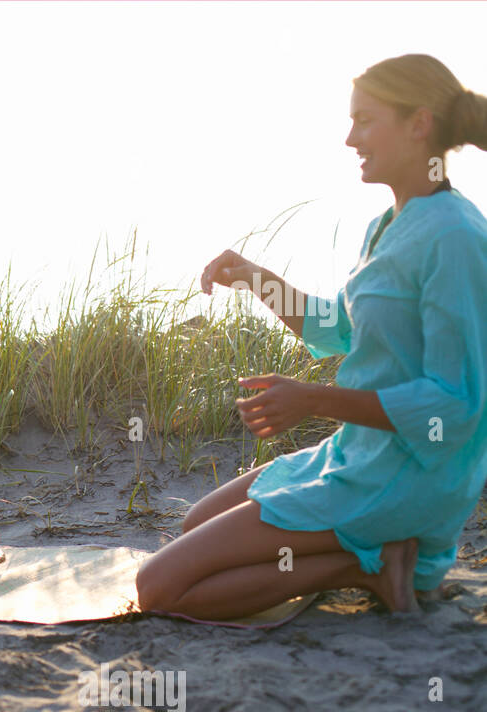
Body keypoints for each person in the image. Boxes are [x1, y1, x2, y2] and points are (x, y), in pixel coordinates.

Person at [136, 54, 487, 620]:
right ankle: (376, 557)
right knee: (193, 524)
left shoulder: (455, 237)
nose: (350, 138)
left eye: (366, 121)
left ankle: (368, 564)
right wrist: (255, 278)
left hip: (410, 476)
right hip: (360, 453)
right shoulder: (387, 225)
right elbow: (340, 329)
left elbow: (456, 404)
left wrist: (315, 399)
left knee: (159, 588)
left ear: (419, 124)